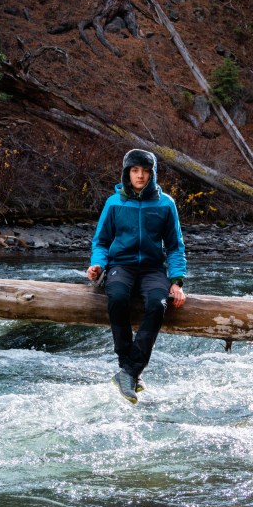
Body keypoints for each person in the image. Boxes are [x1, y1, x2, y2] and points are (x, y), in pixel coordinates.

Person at [86, 149, 187, 403]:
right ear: (127, 173)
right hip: (121, 265)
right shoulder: (114, 203)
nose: (140, 176)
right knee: (118, 296)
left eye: (145, 171)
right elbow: (101, 242)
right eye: (135, 170)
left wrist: (176, 282)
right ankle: (128, 369)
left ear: (152, 173)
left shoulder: (165, 204)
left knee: (158, 303)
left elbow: (175, 246)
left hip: (153, 269)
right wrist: (97, 265)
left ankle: (130, 372)